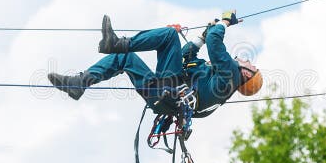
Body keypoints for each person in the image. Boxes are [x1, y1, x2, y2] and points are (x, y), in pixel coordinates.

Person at [48, 11, 263, 114]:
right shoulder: (218, 80)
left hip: (168, 90)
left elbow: (216, 42)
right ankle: (79, 84)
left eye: (250, 65)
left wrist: (225, 22)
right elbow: (185, 59)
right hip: (160, 94)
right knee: (125, 58)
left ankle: (116, 43)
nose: (245, 60)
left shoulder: (231, 75)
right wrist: (202, 37)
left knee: (169, 35)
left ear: (246, 75)